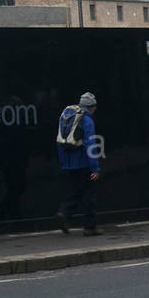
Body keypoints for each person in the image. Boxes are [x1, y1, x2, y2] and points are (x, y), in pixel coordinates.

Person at [56, 91, 101, 236]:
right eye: (95, 107)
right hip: (84, 164)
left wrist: (63, 163)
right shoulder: (86, 120)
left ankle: (64, 212)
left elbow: (59, 142)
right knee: (89, 194)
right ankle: (90, 227)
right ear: (91, 106)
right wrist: (95, 168)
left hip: (69, 164)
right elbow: (91, 145)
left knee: (75, 191)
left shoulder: (66, 116)